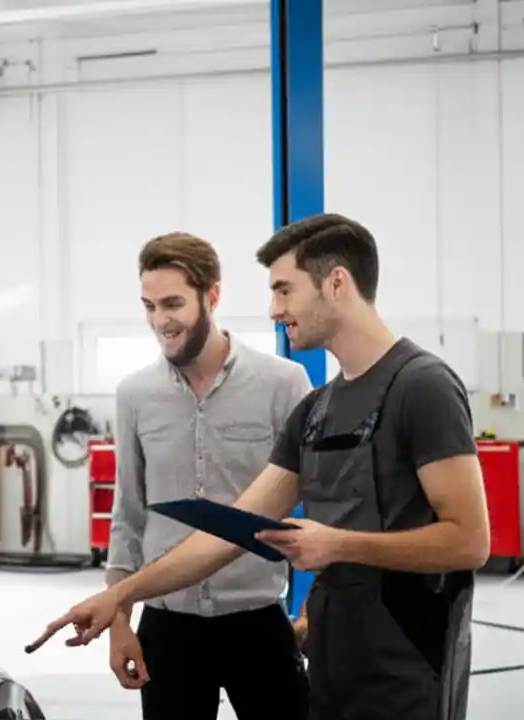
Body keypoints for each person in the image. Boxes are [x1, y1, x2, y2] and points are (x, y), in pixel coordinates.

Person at [27, 214, 491, 720]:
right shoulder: (319, 410)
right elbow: (229, 531)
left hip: (405, 665)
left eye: (284, 291)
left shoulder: (422, 385)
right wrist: (119, 598)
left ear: (336, 283)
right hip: (335, 659)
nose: (274, 310)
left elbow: (470, 541)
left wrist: (336, 545)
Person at [105, 232, 313, 720]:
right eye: (149, 305)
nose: (160, 320)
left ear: (212, 296)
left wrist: (315, 609)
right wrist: (119, 620)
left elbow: (320, 505)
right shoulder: (134, 394)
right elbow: (129, 515)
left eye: (173, 303)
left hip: (258, 623)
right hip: (167, 626)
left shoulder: (283, 384)